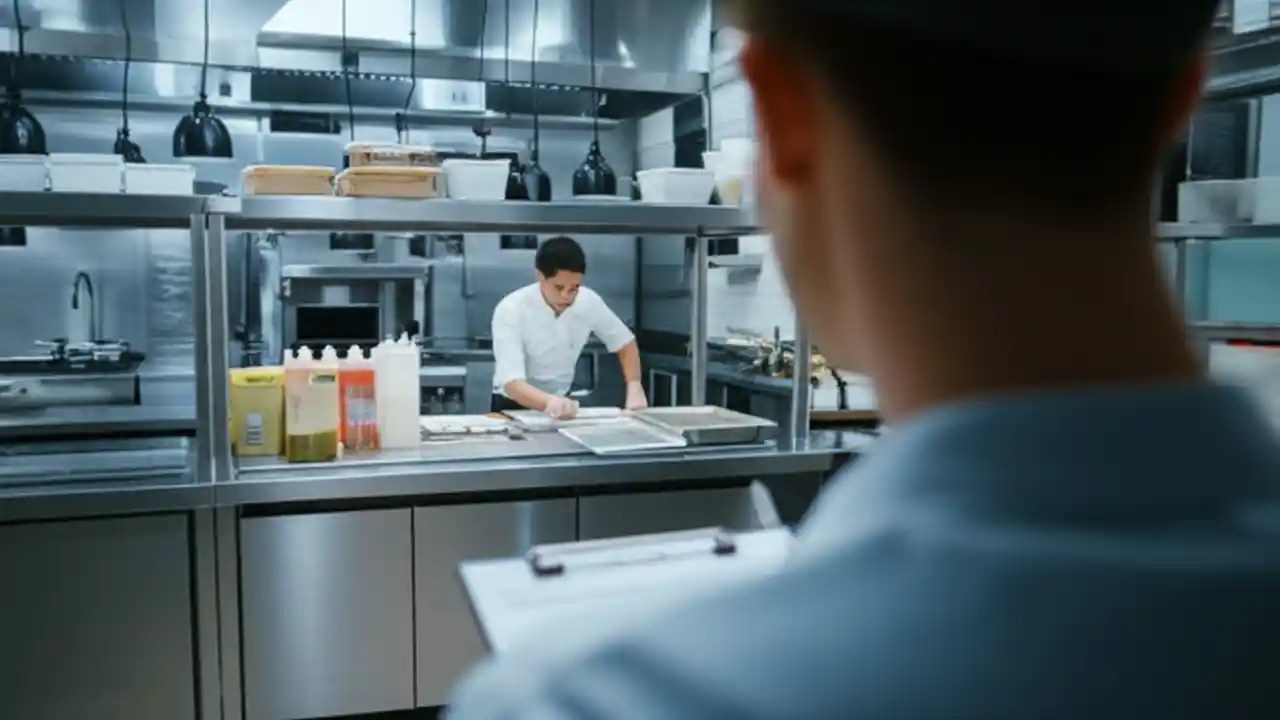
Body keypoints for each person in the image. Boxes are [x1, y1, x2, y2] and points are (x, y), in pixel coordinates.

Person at [451, 0, 1280, 717]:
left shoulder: (588, 701)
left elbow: (624, 342)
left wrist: (628, 384)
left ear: (783, 118)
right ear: (1184, 95)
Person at [491, 236, 647, 417]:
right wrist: (549, 402)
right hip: (512, 404)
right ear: (540, 276)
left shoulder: (588, 302)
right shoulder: (511, 308)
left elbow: (625, 343)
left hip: (560, 402)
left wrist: (635, 385)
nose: (567, 295)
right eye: (558, 287)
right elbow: (512, 383)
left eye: (574, 288)